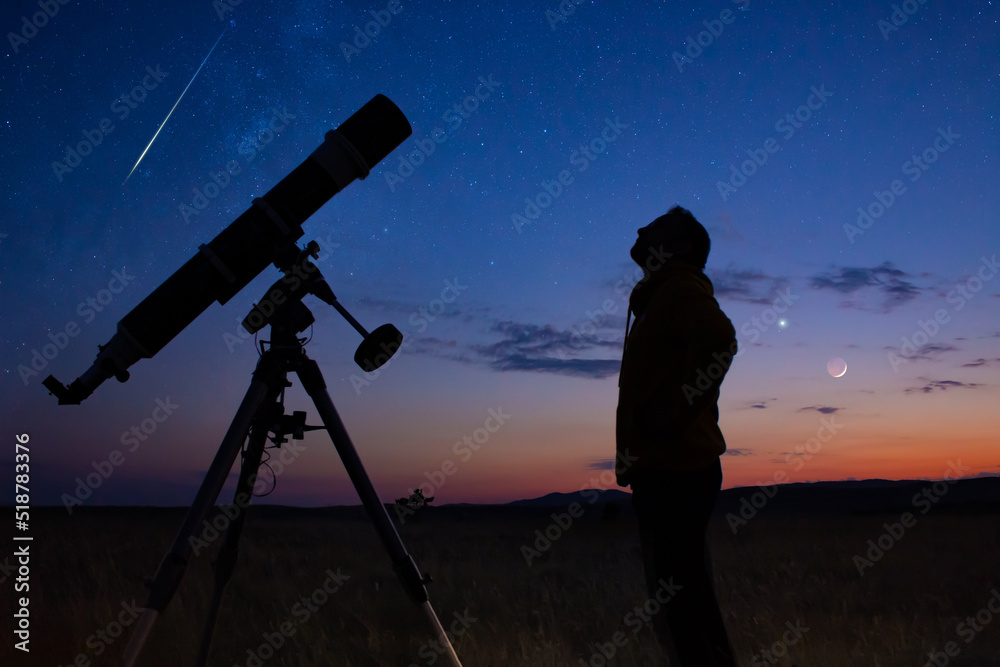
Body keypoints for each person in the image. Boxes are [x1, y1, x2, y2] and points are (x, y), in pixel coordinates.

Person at [615, 206, 738, 666]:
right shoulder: (660, 295)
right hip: (666, 471)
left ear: (680, 247)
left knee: (682, 612)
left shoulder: (680, 287)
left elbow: (719, 340)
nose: (641, 227)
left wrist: (674, 418)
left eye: (657, 227)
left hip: (677, 472)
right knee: (687, 608)